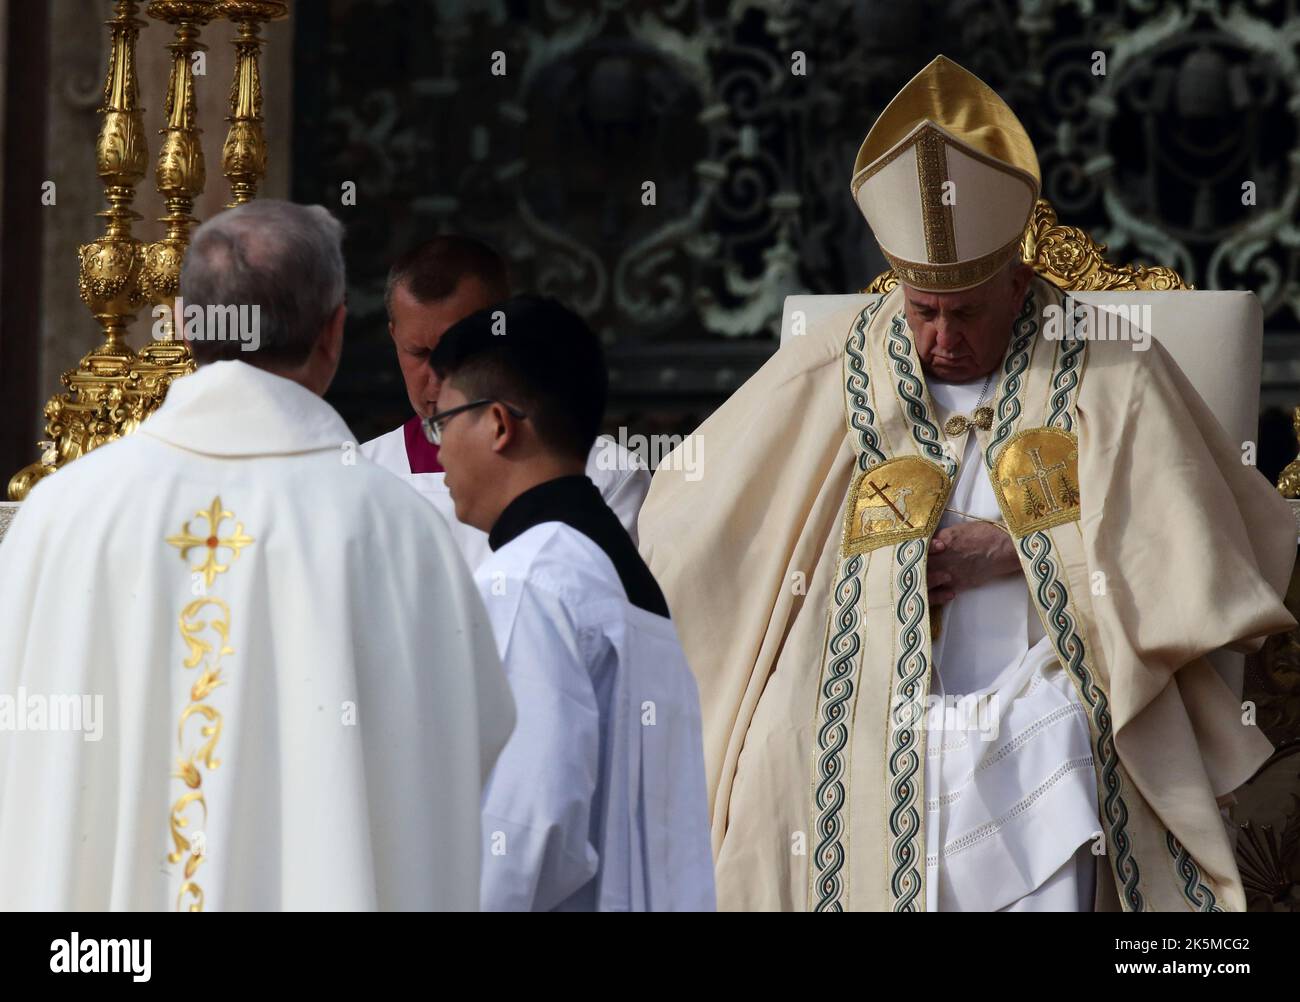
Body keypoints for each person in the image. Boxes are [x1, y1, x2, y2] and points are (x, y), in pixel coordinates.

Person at [636, 56, 1297, 912]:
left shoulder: (1112, 364)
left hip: (1051, 674)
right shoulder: (838, 360)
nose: (941, 339)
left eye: (967, 313)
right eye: (924, 312)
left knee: (1064, 741)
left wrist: (1020, 548)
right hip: (863, 673)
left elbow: (1194, 541)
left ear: (1019, 281)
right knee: (786, 756)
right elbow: (700, 517)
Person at [0, 200, 515, 910]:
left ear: (184, 325)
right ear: (334, 331)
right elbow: (472, 746)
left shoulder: (60, 516)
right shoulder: (397, 530)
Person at [428, 294, 715, 911]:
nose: (439, 449)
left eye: (443, 420)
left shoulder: (530, 579)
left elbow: (521, 831)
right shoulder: (621, 576)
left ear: (498, 424)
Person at [361, 236, 650, 569]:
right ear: (394, 336)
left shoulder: (609, 474)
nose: (437, 377)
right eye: (418, 353)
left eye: (455, 349)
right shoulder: (360, 476)